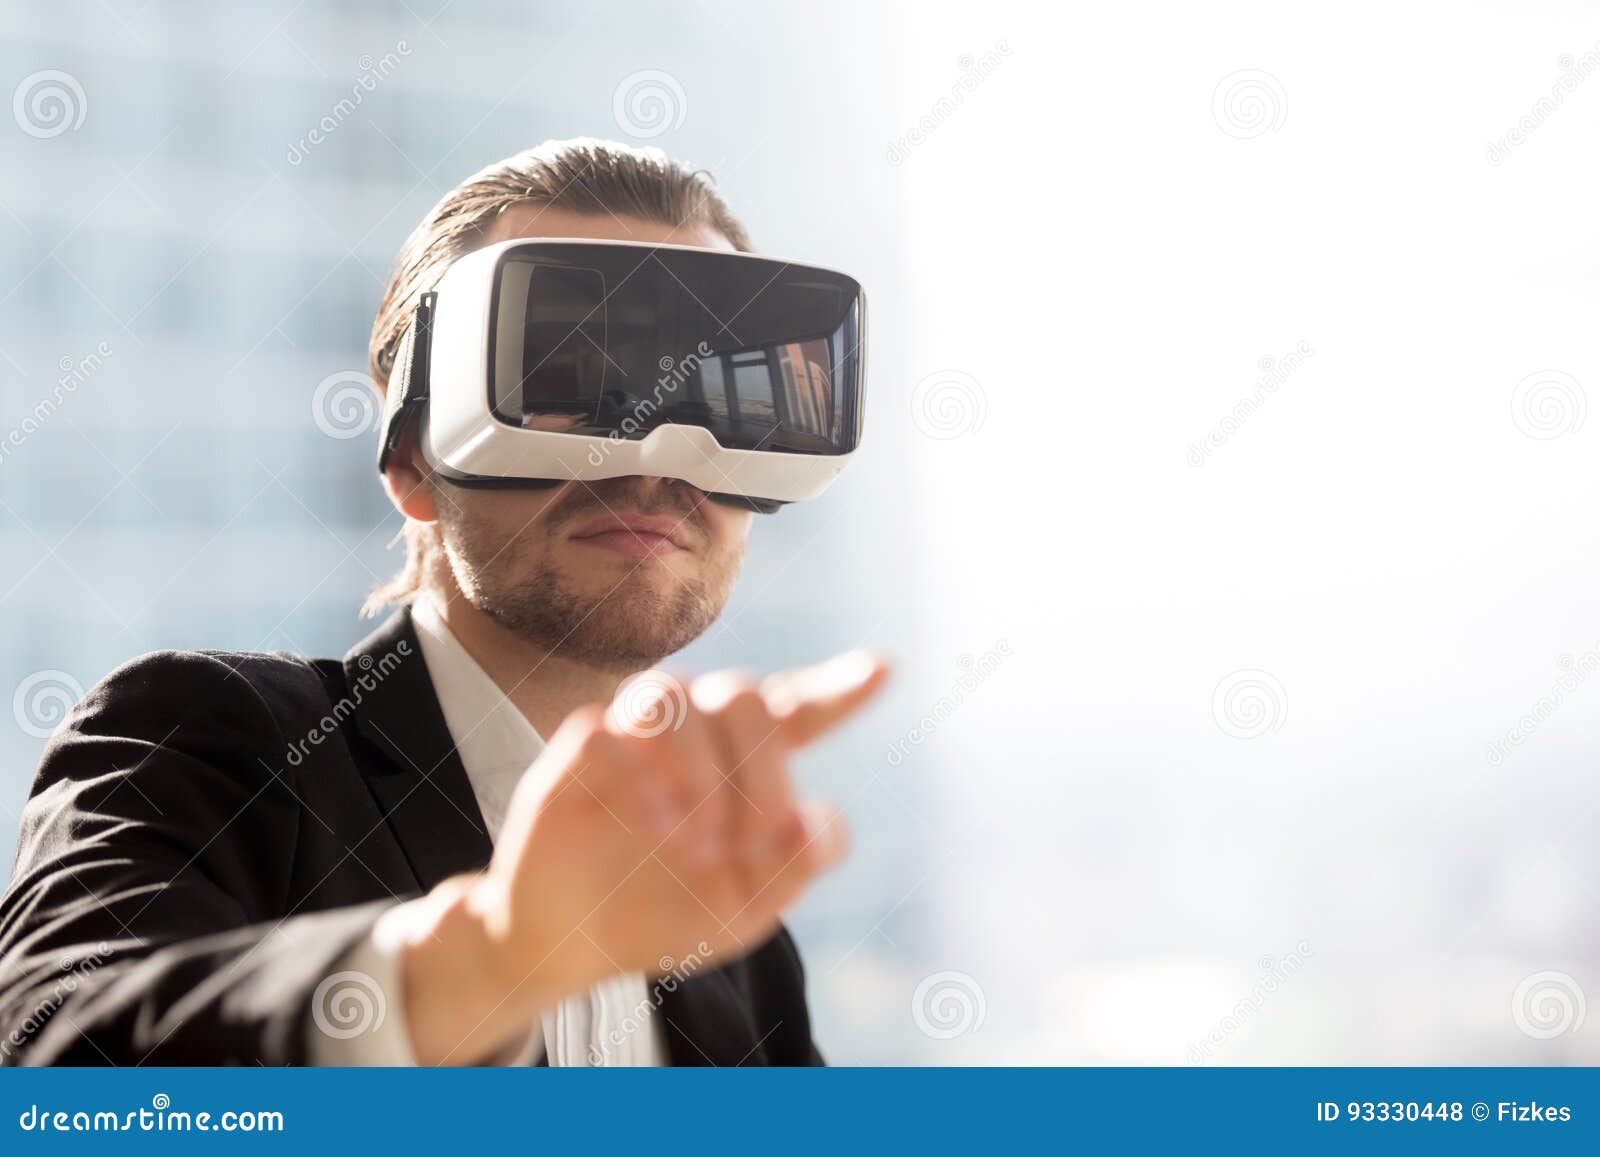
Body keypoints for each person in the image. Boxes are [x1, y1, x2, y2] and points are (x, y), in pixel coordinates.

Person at [0, 138, 886, 1067]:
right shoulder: (215, 743)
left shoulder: (734, 940)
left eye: (715, 393)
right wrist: (504, 950)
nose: (653, 453)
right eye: (564, 377)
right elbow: (60, 1066)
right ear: (414, 458)